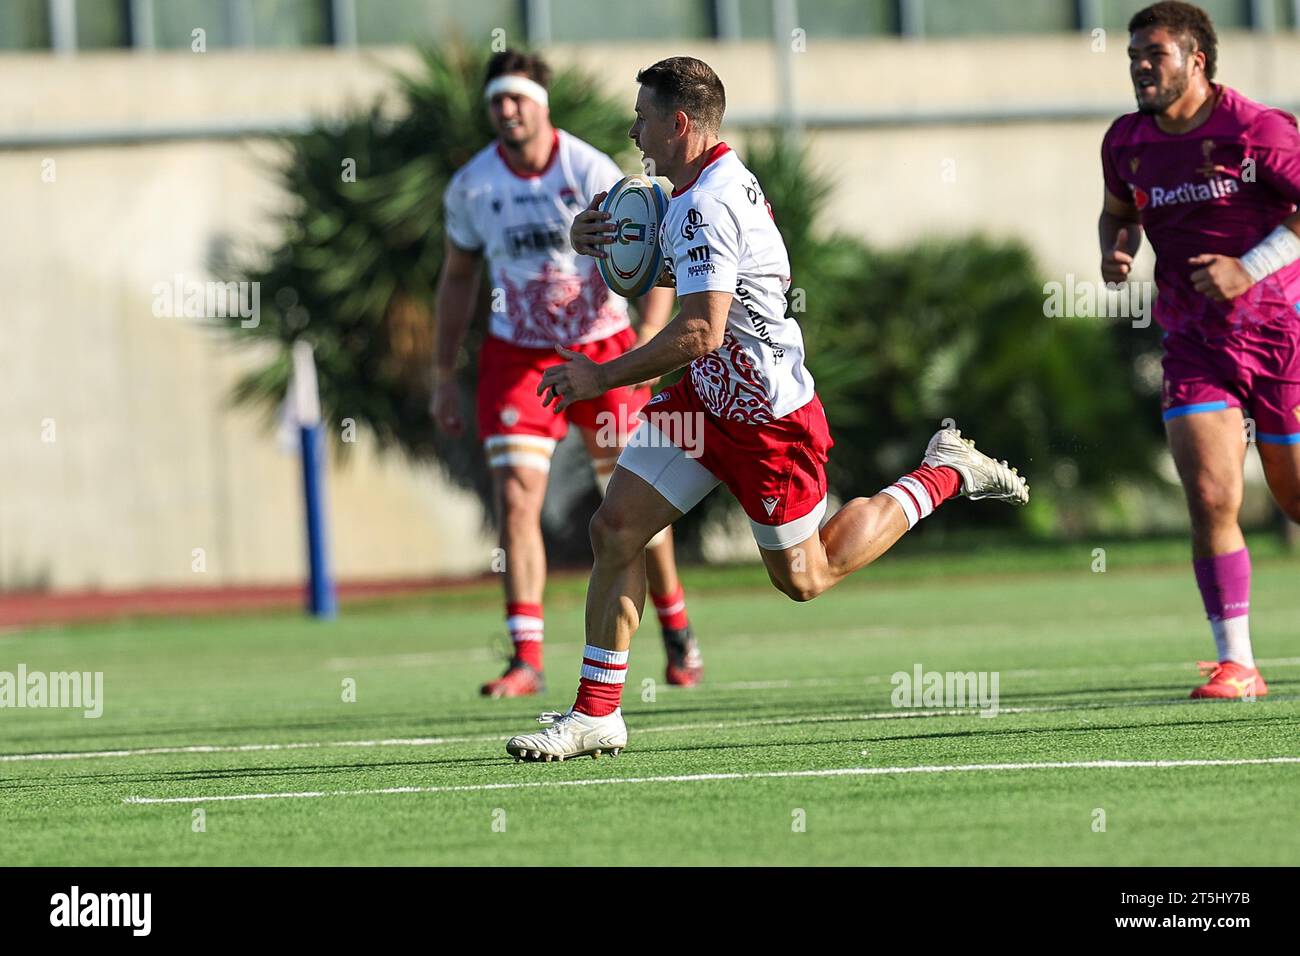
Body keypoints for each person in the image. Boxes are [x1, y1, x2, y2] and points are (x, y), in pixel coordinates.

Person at [505, 56, 1028, 761]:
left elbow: (700, 330)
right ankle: (597, 712)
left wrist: (599, 376)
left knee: (805, 578)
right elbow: (692, 272)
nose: (634, 128)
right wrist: (595, 243)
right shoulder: (705, 181)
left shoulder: (705, 202)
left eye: (643, 116)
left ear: (679, 123)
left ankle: (943, 473)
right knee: (616, 527)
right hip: (705, 401)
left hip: (766, 422)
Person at [433, 50, 704, 698]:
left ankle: (676, 630)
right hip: (519, 357)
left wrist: (648, 332)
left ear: (541, 105)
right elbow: (459, 277)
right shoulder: (473, 186)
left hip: (602, 351)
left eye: (517, 99)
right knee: (518, 500)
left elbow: (653, 251)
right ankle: (526, 657)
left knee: (634, 506)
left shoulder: (589, 170)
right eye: (497, 100)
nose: (506, 110)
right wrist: (442, 372)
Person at [1099, 2, 1300, 699]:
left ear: (1197, 61)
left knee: (1295, 496)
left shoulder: (1259, 130)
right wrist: (1116, 248)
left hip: (1283, 336)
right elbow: (1119, 210)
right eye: (1133, 56)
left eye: (1153, 54)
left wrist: (1250, 265)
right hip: (1193, 343)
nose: (1139, 67)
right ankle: (1237, 663)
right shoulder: (1126, 140)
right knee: (1212, 493)